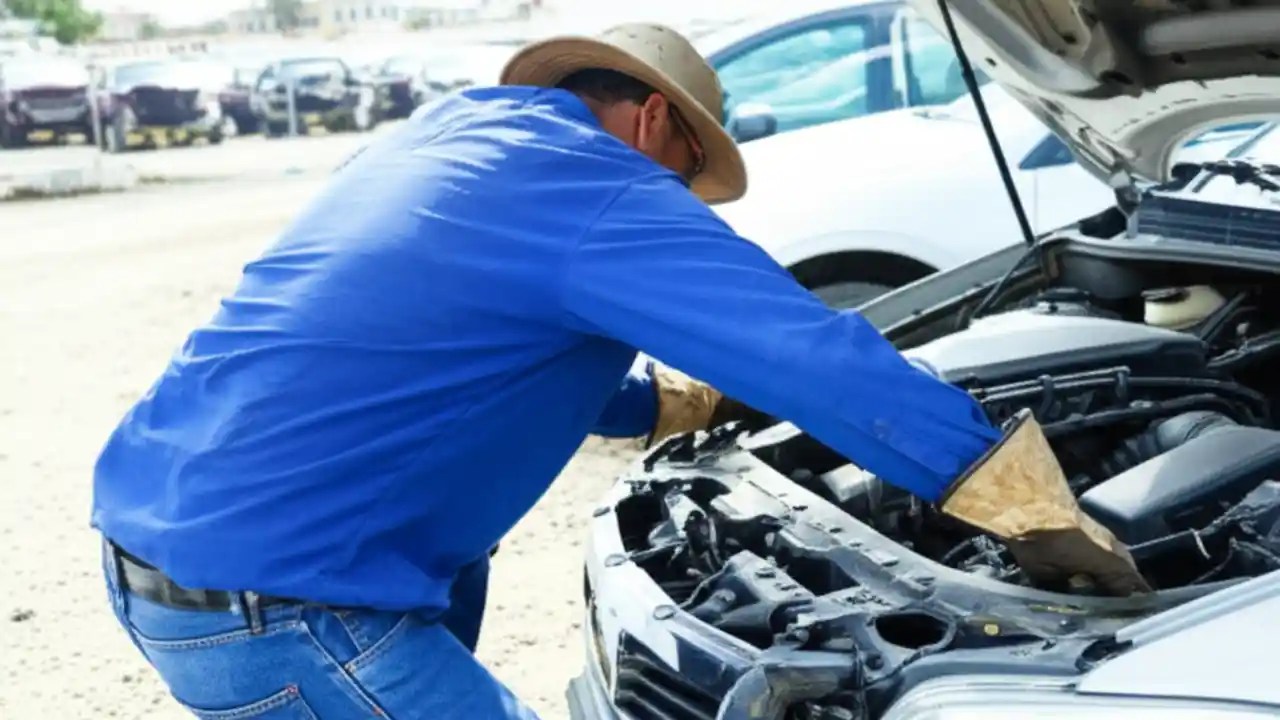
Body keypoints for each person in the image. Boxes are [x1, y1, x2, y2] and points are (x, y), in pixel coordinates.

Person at [91, 23, 1147, 720]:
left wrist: (663, 404)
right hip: (283, 608)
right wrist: (1017, 504)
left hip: (178, 542)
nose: (679, 203)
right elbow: (807, 350)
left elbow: (452, 342)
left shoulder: (454, 143)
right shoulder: (596, 188)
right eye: (688, 181)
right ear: (654, 124)